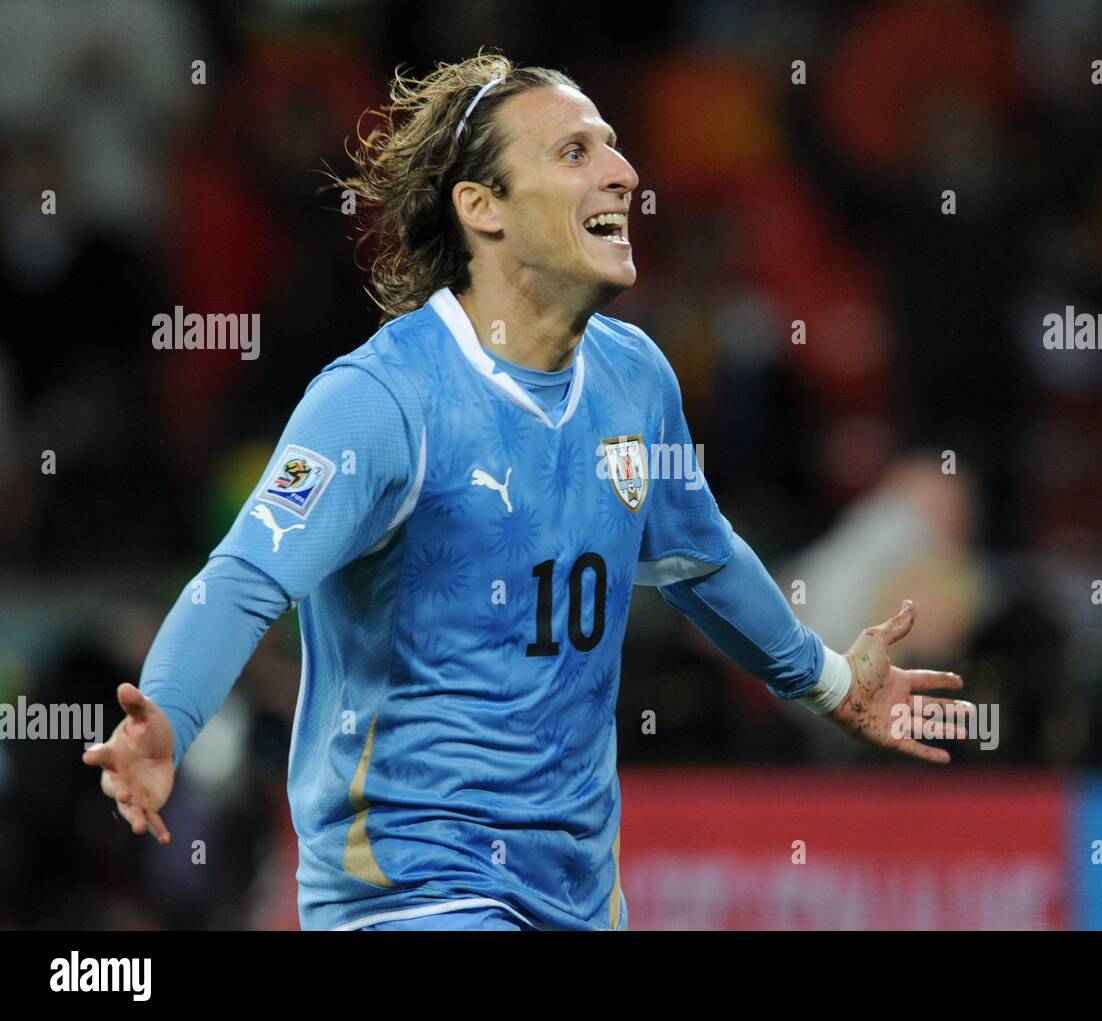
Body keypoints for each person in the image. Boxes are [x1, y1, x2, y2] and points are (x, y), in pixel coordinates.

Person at [83, 53, 967, 931]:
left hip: (579, 893)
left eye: (613, 148)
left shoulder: (635, 380)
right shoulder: (385, 400)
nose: (623, 173)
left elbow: (700, 558)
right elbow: (246, 577)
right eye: (575, 154)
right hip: (413, 887)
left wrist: (832, 681)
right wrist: (168, 715)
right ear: (483, 207)